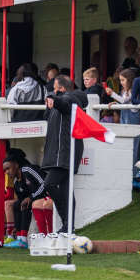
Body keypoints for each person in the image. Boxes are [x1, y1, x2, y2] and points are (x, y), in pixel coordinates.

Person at [42, 75, 88, 233]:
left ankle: (67, 223)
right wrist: (50, 104)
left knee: (49, 184)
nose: (52, 91)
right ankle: (69, 226)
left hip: (66, 152)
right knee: (66, 190)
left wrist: (52, 98)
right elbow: (47, 116)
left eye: (55, 88)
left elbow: (63, 103)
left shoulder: (70, 98)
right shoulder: (62, 100)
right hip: (62, 152)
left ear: (61, 88)